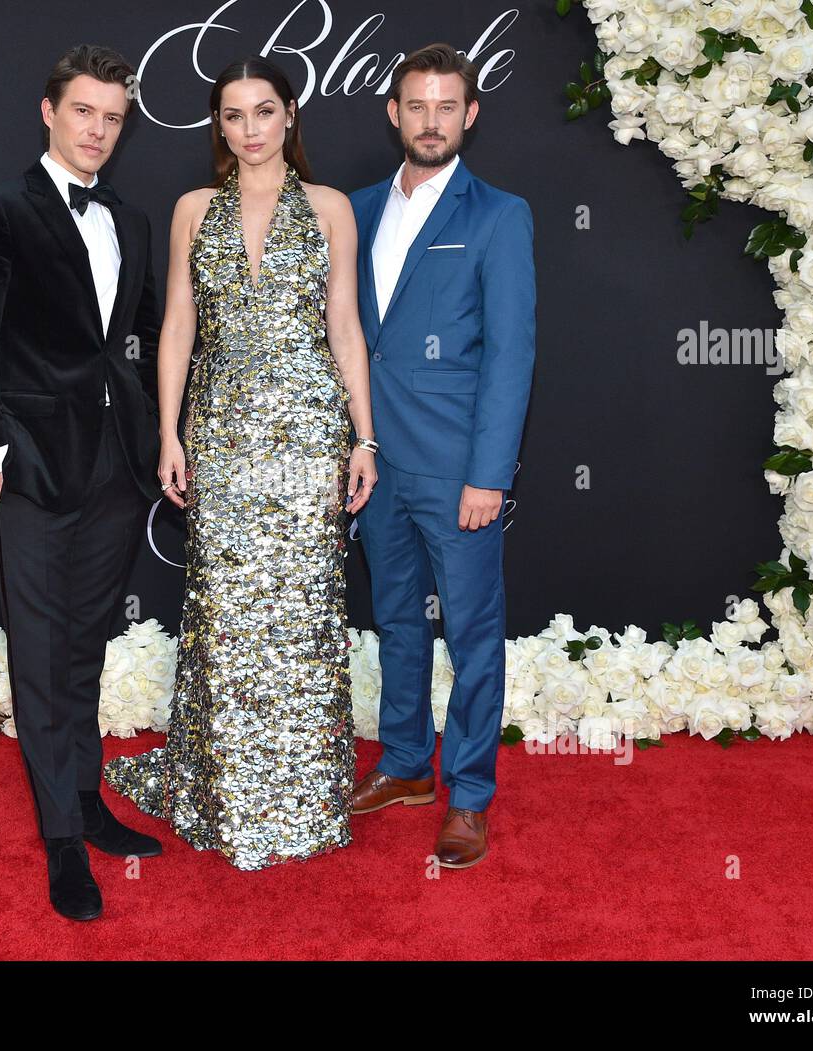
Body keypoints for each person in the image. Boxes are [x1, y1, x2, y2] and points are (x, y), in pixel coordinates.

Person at [103, 57, 378, 870]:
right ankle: (222, 792)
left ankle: (303, 797)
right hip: (220, 433)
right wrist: (169, 434)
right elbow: (178, 327)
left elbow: (346, 329)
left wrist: (365, 438)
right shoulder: (195, 210)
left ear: (290, 116)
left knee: (301, 615)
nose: (250, 128)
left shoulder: (329, 208)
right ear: (217, 126)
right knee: (226, 616)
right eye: (233, 115)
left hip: (308, 436)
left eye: (264, 111)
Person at [0, 44, 165, 922]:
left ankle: (84, 799)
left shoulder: (133, 222)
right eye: (85, 113)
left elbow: (141, 341)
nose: (99, 132)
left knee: (85, 646)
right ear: (49, 110)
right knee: (38, 656)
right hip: (31, 466)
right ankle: (62, 846)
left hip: (116, 464)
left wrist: (156, 434)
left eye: (113, 118)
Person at [349, 44, 536, 868]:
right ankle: (402, 764)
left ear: (470, 116)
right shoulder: (350, 210)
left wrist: (489, 475)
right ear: (394, 113)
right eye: (416, 106)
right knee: (394, 620)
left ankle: (467, 794)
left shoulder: (499, 214)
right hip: (373, 464)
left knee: (470, 633)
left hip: (458, 469)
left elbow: (511, 353)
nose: (431, 122)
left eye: (446, 107)